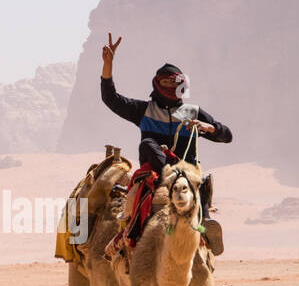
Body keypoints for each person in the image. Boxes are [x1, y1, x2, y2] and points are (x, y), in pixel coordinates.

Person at [99, 32, 231, 253]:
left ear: (182, 84)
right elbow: (110, 98)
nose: (170, 85)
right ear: (157, 84)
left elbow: (227, 135)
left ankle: (206, 224)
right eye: (166, 81)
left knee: (202, 180)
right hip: (156, 173)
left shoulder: (193, 112)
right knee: (148, 145)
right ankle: (131, 235)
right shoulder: (144, 110)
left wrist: (210, 128)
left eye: (174, 81)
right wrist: (108, 65)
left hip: (188, 170)